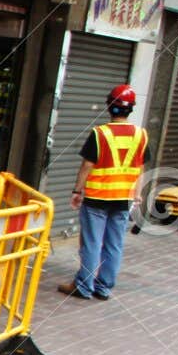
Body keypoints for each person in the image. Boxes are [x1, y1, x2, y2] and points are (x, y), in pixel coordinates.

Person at [59, 84, 150, 301]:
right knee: (114, 243)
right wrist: (137, 193)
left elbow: (86, 167)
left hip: (97, 198)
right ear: (131, 109)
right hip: (123, 199)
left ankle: (83, 286)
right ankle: (104, 287)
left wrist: (76, 191)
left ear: (109, 105)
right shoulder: (141, 135)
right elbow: (141, 168)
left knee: (91, 242)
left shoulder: (100, 134)